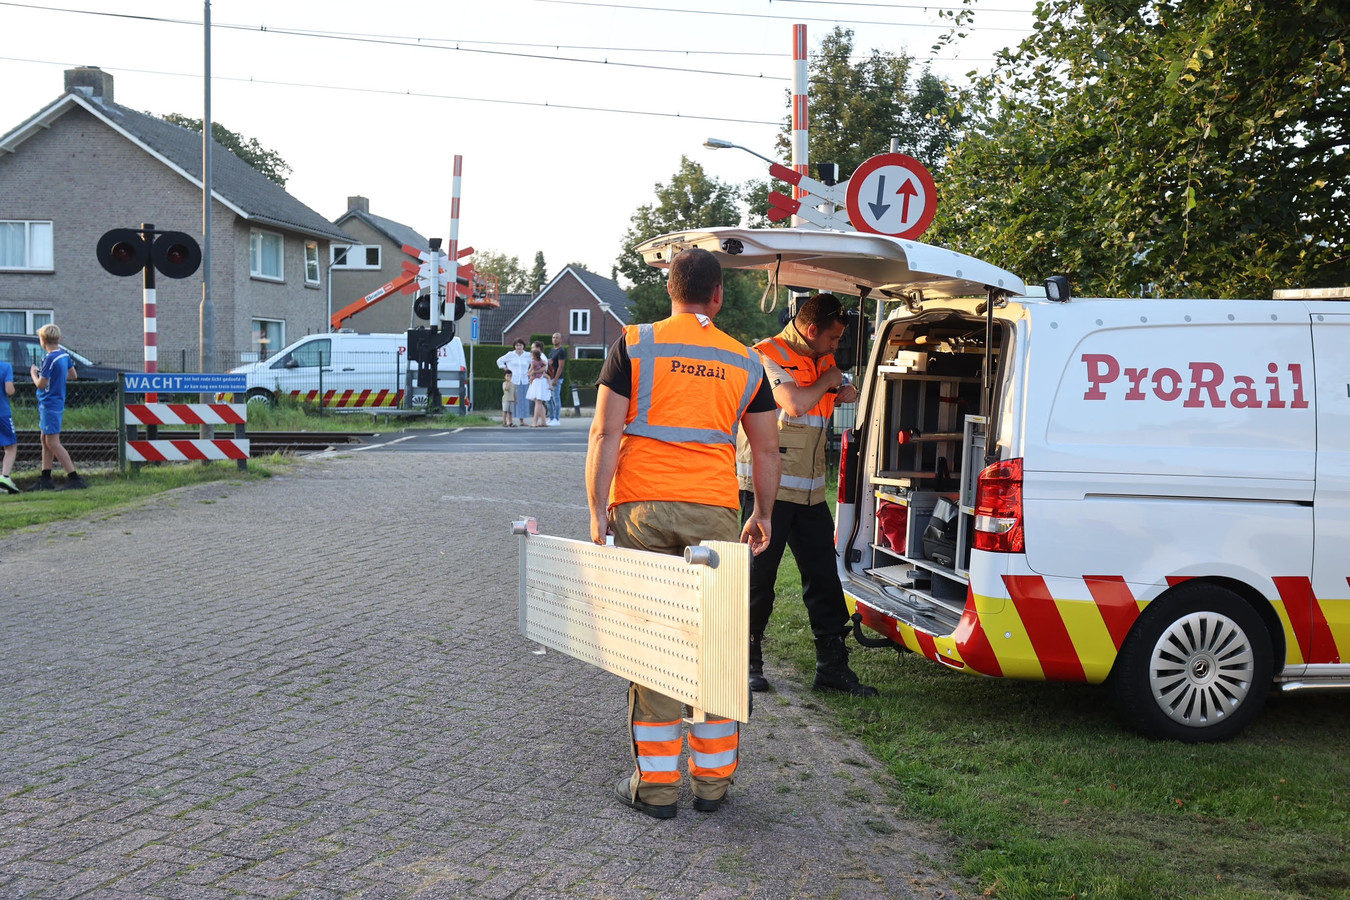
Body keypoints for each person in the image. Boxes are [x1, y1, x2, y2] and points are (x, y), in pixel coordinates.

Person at [587, 247, 782, 819]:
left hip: (642, 509)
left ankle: (656, 790)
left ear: (669, 290)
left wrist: (597, 512)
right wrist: (763, 513)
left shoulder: (635, 344)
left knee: (653, 642)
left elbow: (604, 433)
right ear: (717, 296)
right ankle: (713, 785)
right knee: (715, 644)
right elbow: (767, 448)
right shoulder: (745, 361)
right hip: (715, 513)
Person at [735, 293, 876, 697]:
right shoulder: (764, 356)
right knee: (757, 578)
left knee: (825, 578)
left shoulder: (823, 360)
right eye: (832, 338)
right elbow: (794, 404)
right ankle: (745, 662)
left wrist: (844, 392)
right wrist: (830, 382)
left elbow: (822, 405)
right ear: (812, 329)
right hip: (766, 489)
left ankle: (831, 668)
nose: (836, 346)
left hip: (810, 492)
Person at [27, 323, 85, 491]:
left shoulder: (49, 359)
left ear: (43, 340)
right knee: (45, 439)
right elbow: (73, 375)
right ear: (58, 338)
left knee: (52, 442)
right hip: (57, 402)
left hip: (49, 403)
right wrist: (57, 378)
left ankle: (74, 478)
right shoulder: (64, 355)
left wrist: (33, 374)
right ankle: (45, 477)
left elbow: (40, 384)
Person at [496, 338, 531, 424]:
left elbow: (535, 363)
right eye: (517, 345)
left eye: (520, 345)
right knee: (511, 401)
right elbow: (499, 361)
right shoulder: (510, 354)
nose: (518, 347)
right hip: (513, 381)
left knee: (522, 401)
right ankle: (509, 420)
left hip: (523, 381)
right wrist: (506, 369)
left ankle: (522, 420)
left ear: (523, 346)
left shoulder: (528, 355)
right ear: (514, 346)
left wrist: (530, 372)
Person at [0, 357, 16, 494]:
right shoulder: (5, 367)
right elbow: (9, 390)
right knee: (10, 446)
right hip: (3, 413)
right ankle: (4, 477)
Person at [546, 332, 567, 425]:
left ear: (560, 339)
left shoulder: (561, 351)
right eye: (553, 337)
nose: (554, 339)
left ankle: (557, 419)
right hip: (549, 378)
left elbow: (561, 366)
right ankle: (551, 418)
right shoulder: (552, 350)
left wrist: (555, 379)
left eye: (557, 338)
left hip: (556, 379)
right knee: (548, 399)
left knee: (556, 398)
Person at [526, 345, 549, 427]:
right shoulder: (540, 359)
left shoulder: (540, 358)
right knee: (540, 402)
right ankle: (543, 421)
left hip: (539, 381)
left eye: (533, 348)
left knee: (538, 401)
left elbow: (545, 369)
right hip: (538, 381)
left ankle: (535, 422)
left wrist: (532, 372)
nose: (532, 349)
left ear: (538, 349)